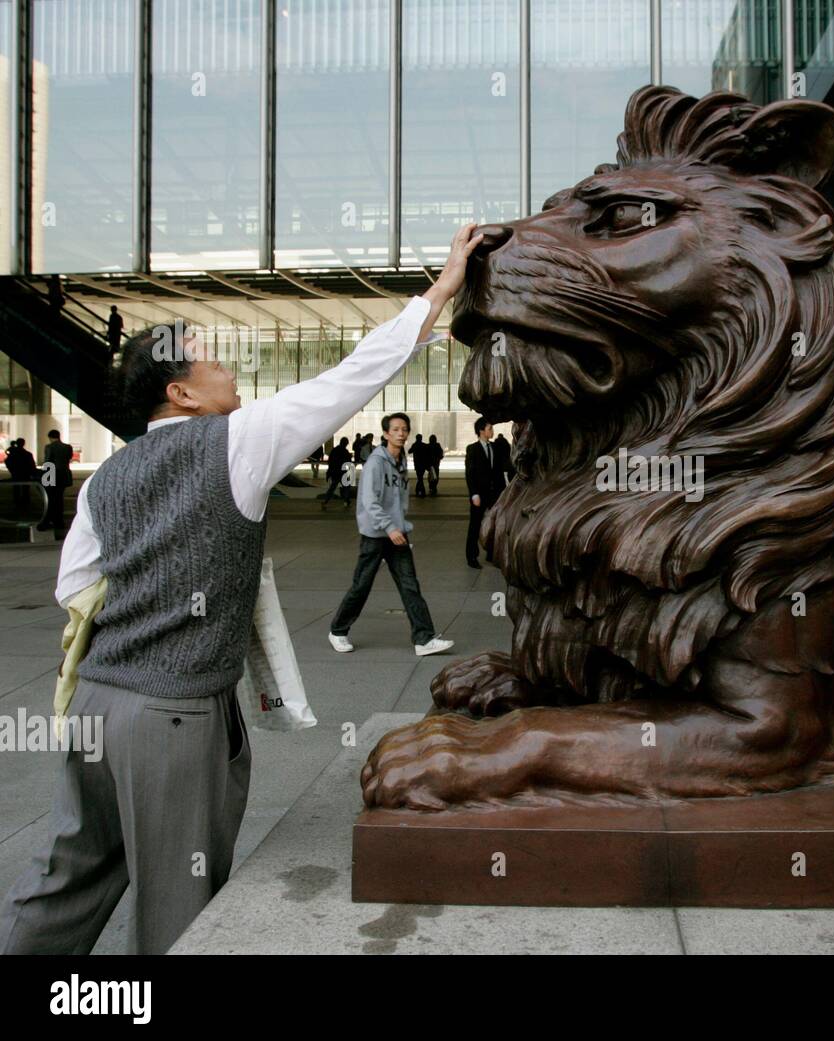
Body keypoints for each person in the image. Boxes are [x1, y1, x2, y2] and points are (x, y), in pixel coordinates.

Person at [0, 222, 483, 956]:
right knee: (177, 903)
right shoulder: (238, 442)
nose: (228, 370)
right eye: (209, 362)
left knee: (69, 877)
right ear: (182, 392)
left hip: (98, 704)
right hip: (171, 716)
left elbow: (79, 589)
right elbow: (353, 376)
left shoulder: (109, 478)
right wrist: (443, 288)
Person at [327, 413, 452, 658]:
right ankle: (337, 631)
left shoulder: (402, 461)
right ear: (386, 434)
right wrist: (389, 527)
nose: (401, 433)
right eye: (395, 429)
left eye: (404, 429)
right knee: (361, 585)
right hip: (375, 534)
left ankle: (424, 639)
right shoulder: (376, 462)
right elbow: (369, 501)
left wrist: (400, 525)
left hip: (397, 533)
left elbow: (399, 499)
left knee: (410, 585)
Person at [464, 418, 507, 568]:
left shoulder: (495, 447)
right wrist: (474, 494)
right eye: (489, 428)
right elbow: (470, 474)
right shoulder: (472, 449)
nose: (492, 431)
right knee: (475, 525)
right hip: (479, 494)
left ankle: (491, 553)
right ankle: (472, 556)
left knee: (495, 525)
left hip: (495, 493)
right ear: (481, 431)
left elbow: (500, 471)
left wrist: (504, 492)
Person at [38, 429, 74, 533]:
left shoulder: (49, 447)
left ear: (50, 437)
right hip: (64, 476)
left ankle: (50, 520)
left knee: (51, 499)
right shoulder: (68, 447)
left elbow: (48, 462)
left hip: (53, 476)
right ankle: (59, 521)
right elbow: (69, 458)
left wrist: (44, 476)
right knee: (59, 498)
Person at [320, 437, 352, 509]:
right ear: (346, 444)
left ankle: (325, 502)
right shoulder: (345, 451)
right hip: (342, 472)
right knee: (346, 487)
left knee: (332, 488)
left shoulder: (334, 450)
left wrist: (329, 473)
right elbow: (349, 462)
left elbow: (330, 462)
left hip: (335, 472)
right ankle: (346, 501)